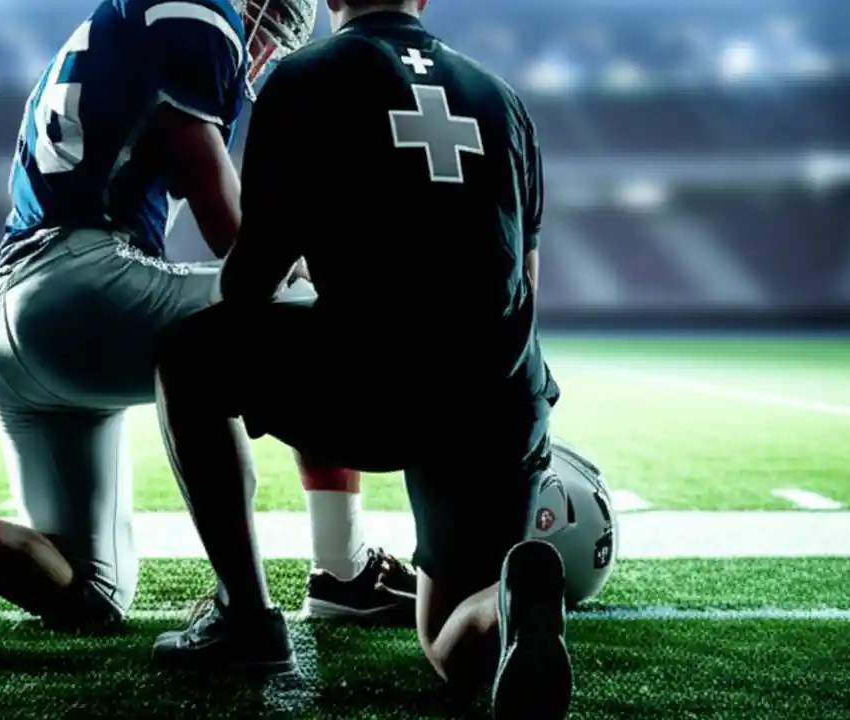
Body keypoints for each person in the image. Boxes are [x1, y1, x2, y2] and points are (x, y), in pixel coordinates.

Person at [0, 0, 417, 649]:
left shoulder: (124, 26)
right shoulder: (194, 11)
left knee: (92, 592)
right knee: (304, 303)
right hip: (75, 287)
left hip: (15, 320)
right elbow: (224, 219)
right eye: (271, 21)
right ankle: (343, 571)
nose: (266, 43)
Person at [149, 0, 571, 716]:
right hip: (496, 400)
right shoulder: (505, 100)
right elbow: (525, 287)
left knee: (187, 362)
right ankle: (506, 608)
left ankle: (245, 616)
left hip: (368, 386)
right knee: (445, 641)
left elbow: (247, 280)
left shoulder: (305, 77)